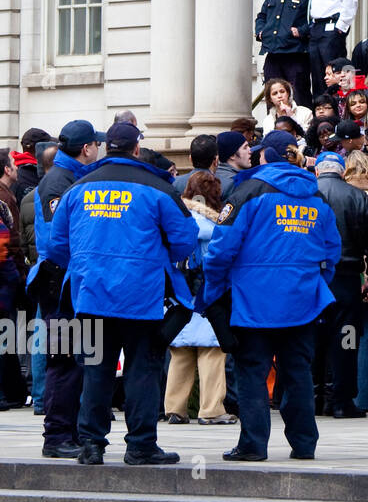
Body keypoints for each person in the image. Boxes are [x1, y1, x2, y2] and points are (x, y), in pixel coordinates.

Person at [44, 121, 198, 465]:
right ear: (135, 149)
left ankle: (91, 445)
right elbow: (184, 240)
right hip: (140, 296)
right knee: (141, 370)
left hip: (91, 295)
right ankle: (140, 445)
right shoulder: (157, 188)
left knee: (96, 370)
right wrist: (158, 260)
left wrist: (87, 265)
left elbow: (57, 246)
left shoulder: (78, 188)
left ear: (107, 147)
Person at [198, 130, 341, 460]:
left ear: (269, 157)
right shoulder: (315, 196)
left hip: (253, 303)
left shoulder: (247, 191)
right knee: (298, 374)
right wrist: (316, 285)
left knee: (251, 374)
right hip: (303, 301)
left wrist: (215, 290)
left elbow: (221, 251)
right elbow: (332, 252)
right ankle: (304, 444)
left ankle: (253, 444)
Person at [29, 120, 104, 458]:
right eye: (96, 145)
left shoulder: (66, 178)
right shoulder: (60, 183)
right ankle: (57, 436)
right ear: (86, 148)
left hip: (64, 280)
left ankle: (66, 432)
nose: (99, 149)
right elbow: (59, 241)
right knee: (64, 362)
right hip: (58, 281)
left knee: (74, 360)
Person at [163, 170, 236, 426]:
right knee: (212, 352)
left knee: (180, 353)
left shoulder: (178, 222)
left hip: (180, 296)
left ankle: (174, 408)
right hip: (207, 296)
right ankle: (212, 409)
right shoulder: (216, 228)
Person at [313, 149, 368, 418]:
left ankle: (316, 396)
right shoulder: (357, 197)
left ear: (317, 170)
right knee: (347, 338)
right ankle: (341, 399)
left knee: (313, 336)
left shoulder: (307, 195)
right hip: (347, 277)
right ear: (342, 170)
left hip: (313, 277)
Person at [256, 0, 312, 105]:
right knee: (272, 97)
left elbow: (316, 19)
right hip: (273, 54)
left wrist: (301, 31)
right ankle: (274, 128)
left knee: (298, 96)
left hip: (295, 54)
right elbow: (262, 16)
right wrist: (260, 31)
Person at [214, 131, 251, 199]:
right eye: (245, 147)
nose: (250, 151)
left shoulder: (216, 175)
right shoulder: (233, 184)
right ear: (232, 155)